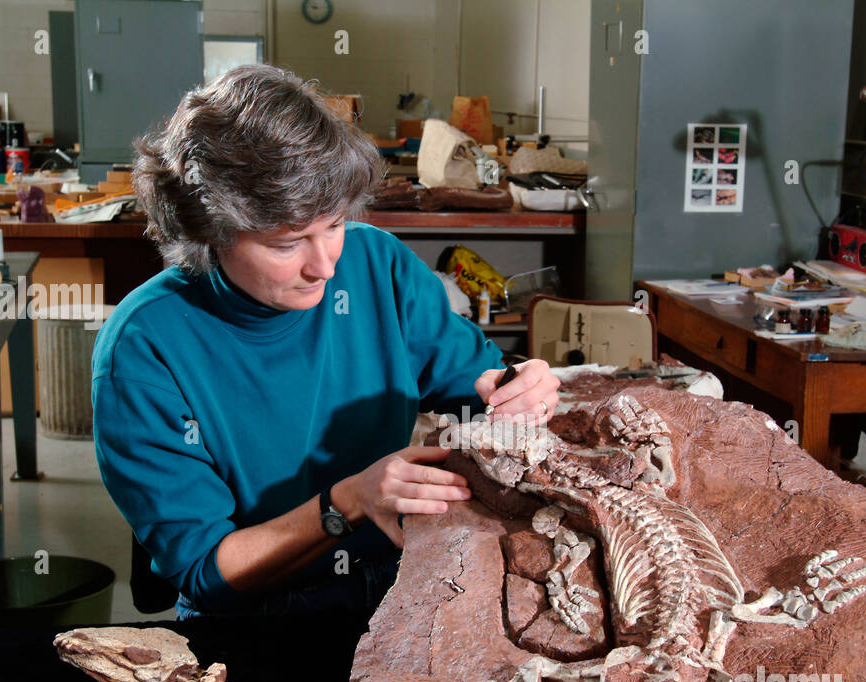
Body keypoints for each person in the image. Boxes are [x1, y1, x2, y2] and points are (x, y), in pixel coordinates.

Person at [92, 65, 560, 622]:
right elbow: (205, 571)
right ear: (207, 232)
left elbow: (473, 386)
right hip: (256, 624)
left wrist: (513, 389)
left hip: (400, 588)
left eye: (334, 224)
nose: (324, 265)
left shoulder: (377, 264)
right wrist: (348, 502)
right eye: (288, 243)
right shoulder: (144, 349)